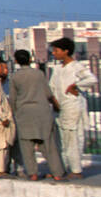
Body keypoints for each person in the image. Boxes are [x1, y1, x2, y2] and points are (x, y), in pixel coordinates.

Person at [9, 49, 66, 181]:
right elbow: (48, 93)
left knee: (27, 146)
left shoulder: (15, 77)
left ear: (16, 61)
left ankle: (33, 173)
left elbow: (13, 99)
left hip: (25, 113)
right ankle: (57, 173)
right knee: (49, 144)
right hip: (42, 111)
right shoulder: (39, 74)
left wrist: (13, 113)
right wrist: (56, 106)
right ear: (30, 59)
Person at [48, 38, 97, 180]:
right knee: (61, 140)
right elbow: (51, 87)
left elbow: (91, 79)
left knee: (73, 139)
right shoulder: (57, 69)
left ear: (66, 51)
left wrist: (76, 86)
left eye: (57, 50)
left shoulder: (77, 67)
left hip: (72, 106)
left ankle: (76, 169)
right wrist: (53, 100)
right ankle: (61, 168)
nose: (54, 53)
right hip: (59, 108)